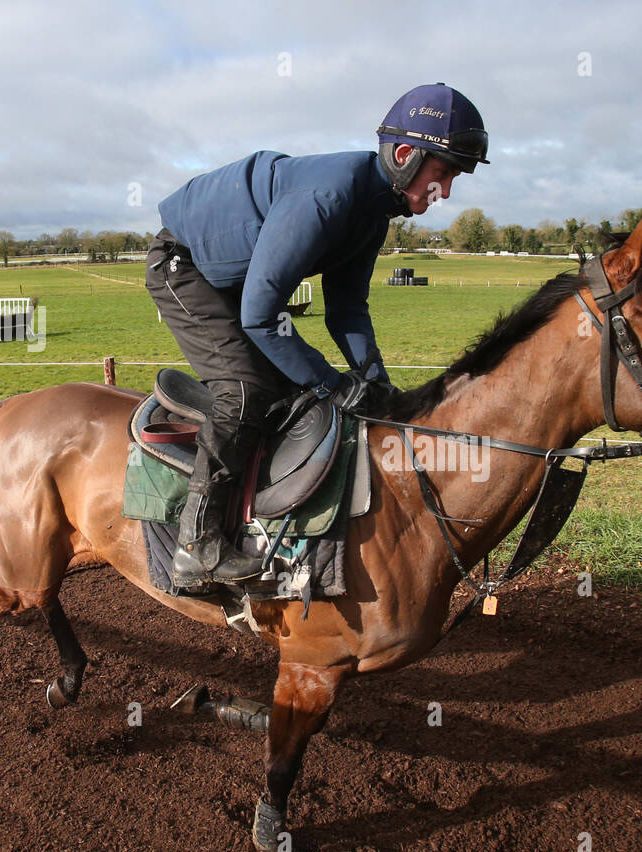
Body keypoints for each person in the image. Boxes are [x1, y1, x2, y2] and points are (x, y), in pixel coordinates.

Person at [145, 83, 489, 591]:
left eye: (455, 177)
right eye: (442, 174)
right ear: (404, 155)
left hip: (234, 283)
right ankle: (197, 546)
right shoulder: (328, 196)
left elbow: (347, 308)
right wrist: (335, 383)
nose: (447, 191)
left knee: (294, 396)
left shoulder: (371, 213)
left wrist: (378, 385)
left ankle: (266, 528)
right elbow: (260, 317)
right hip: (183, 267)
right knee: (245, 390)